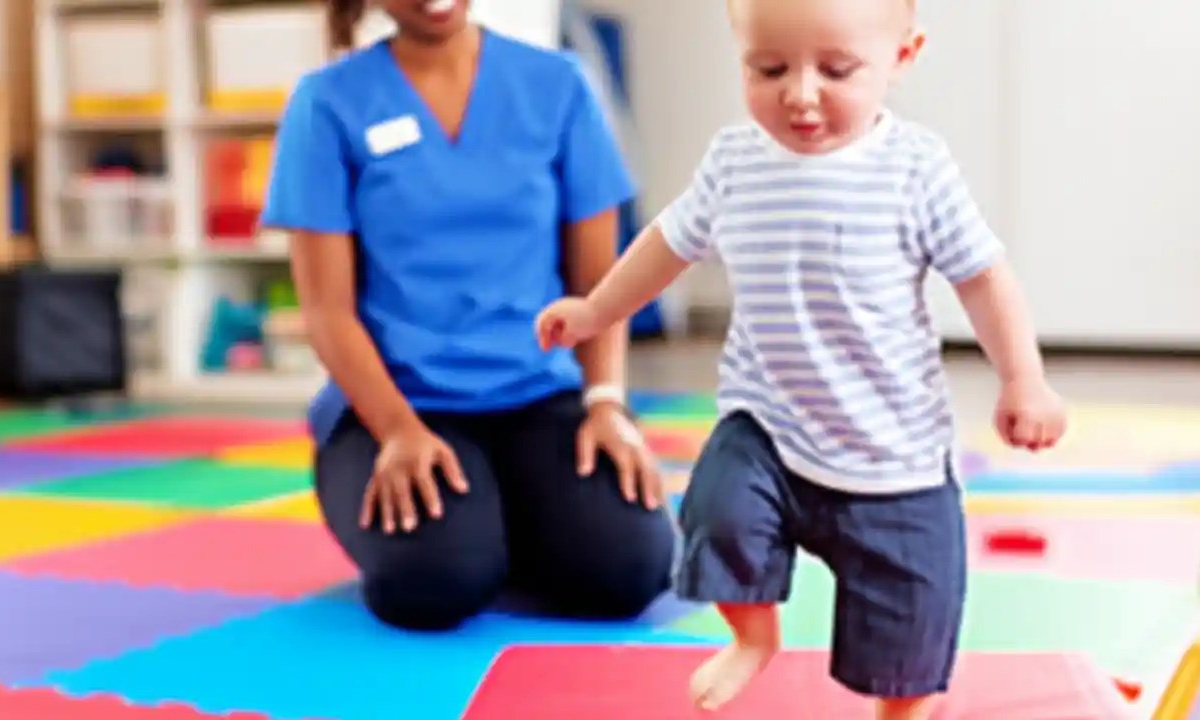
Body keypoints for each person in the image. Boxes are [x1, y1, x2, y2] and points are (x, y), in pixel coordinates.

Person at [534, 0, 1068, 716]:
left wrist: (1023, 377)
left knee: (908, 650)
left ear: (901, 58)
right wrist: (598, 309)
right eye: (768, 67)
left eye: (837, 69)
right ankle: (753, 637)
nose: (800, 93)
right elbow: (668, 244)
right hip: (769, 431)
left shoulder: (914, 167)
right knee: (717, 512)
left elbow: (982, 275)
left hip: (893, 458)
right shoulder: (735, 160)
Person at [259, 0, 677, 632]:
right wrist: (397, 430)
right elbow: (327, 311)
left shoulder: (558, 86)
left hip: (539, 395)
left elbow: (597, 285)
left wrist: (606, 404)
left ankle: (503, 521)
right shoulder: (327, 103)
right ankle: (480, 530)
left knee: (629, 572)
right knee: (433, 586)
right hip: (395, 407)